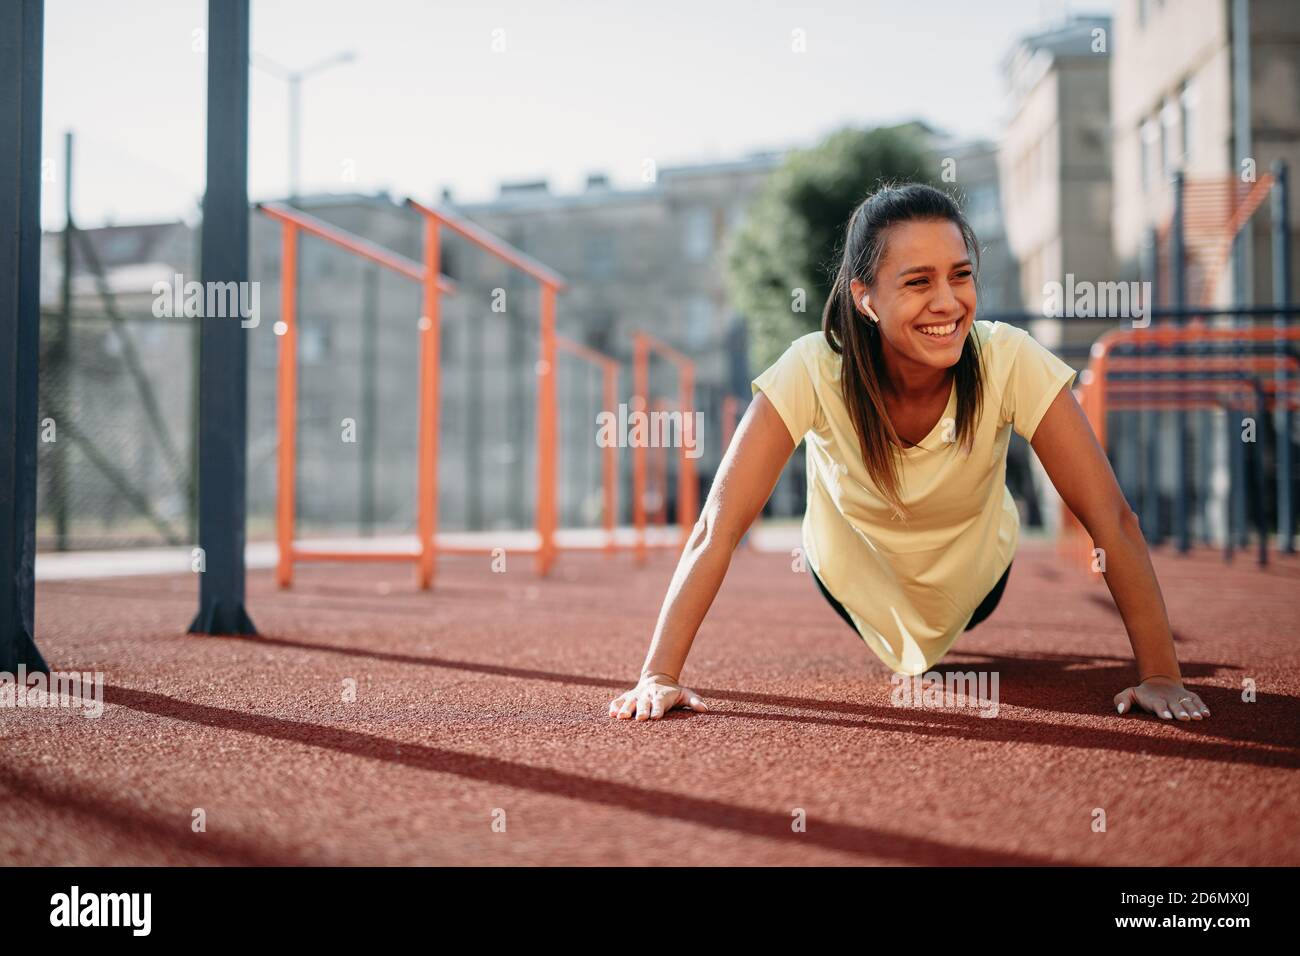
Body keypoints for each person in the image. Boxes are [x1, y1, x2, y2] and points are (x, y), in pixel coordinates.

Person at [609, 182, 1210, 724]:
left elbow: (1112, 517)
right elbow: (718, 527)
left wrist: (1160, 673)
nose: (948, 302)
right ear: (866, 298)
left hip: (977, 578)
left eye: (961, 275)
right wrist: (658, 675)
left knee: (970, 609)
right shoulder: (812, 369)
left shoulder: (1008, 358)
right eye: (918, 281)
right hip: (852, 576)